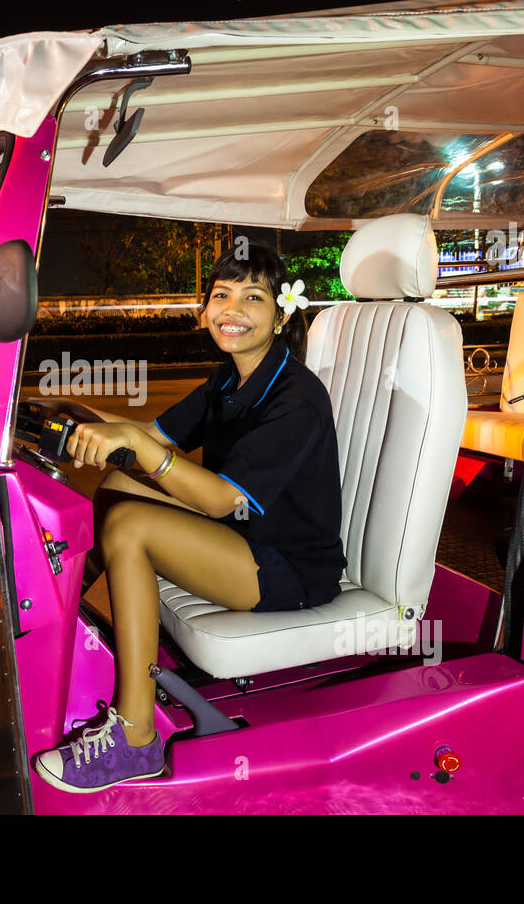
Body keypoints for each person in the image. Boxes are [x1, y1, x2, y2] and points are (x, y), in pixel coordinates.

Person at [32, 241, 347, 793]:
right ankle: (94, 620)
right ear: (205, 311)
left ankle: (135, 741)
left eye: (254, 296)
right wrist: (65, 411)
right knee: (121, 481)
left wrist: (134, 444)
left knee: (131, 523)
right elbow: (149, 440)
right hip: (244, 542)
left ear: (280, 315)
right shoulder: (226, 381)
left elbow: (224, 500)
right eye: (222, 294)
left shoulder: (296, 395)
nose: (233, 308)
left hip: (288, 569)